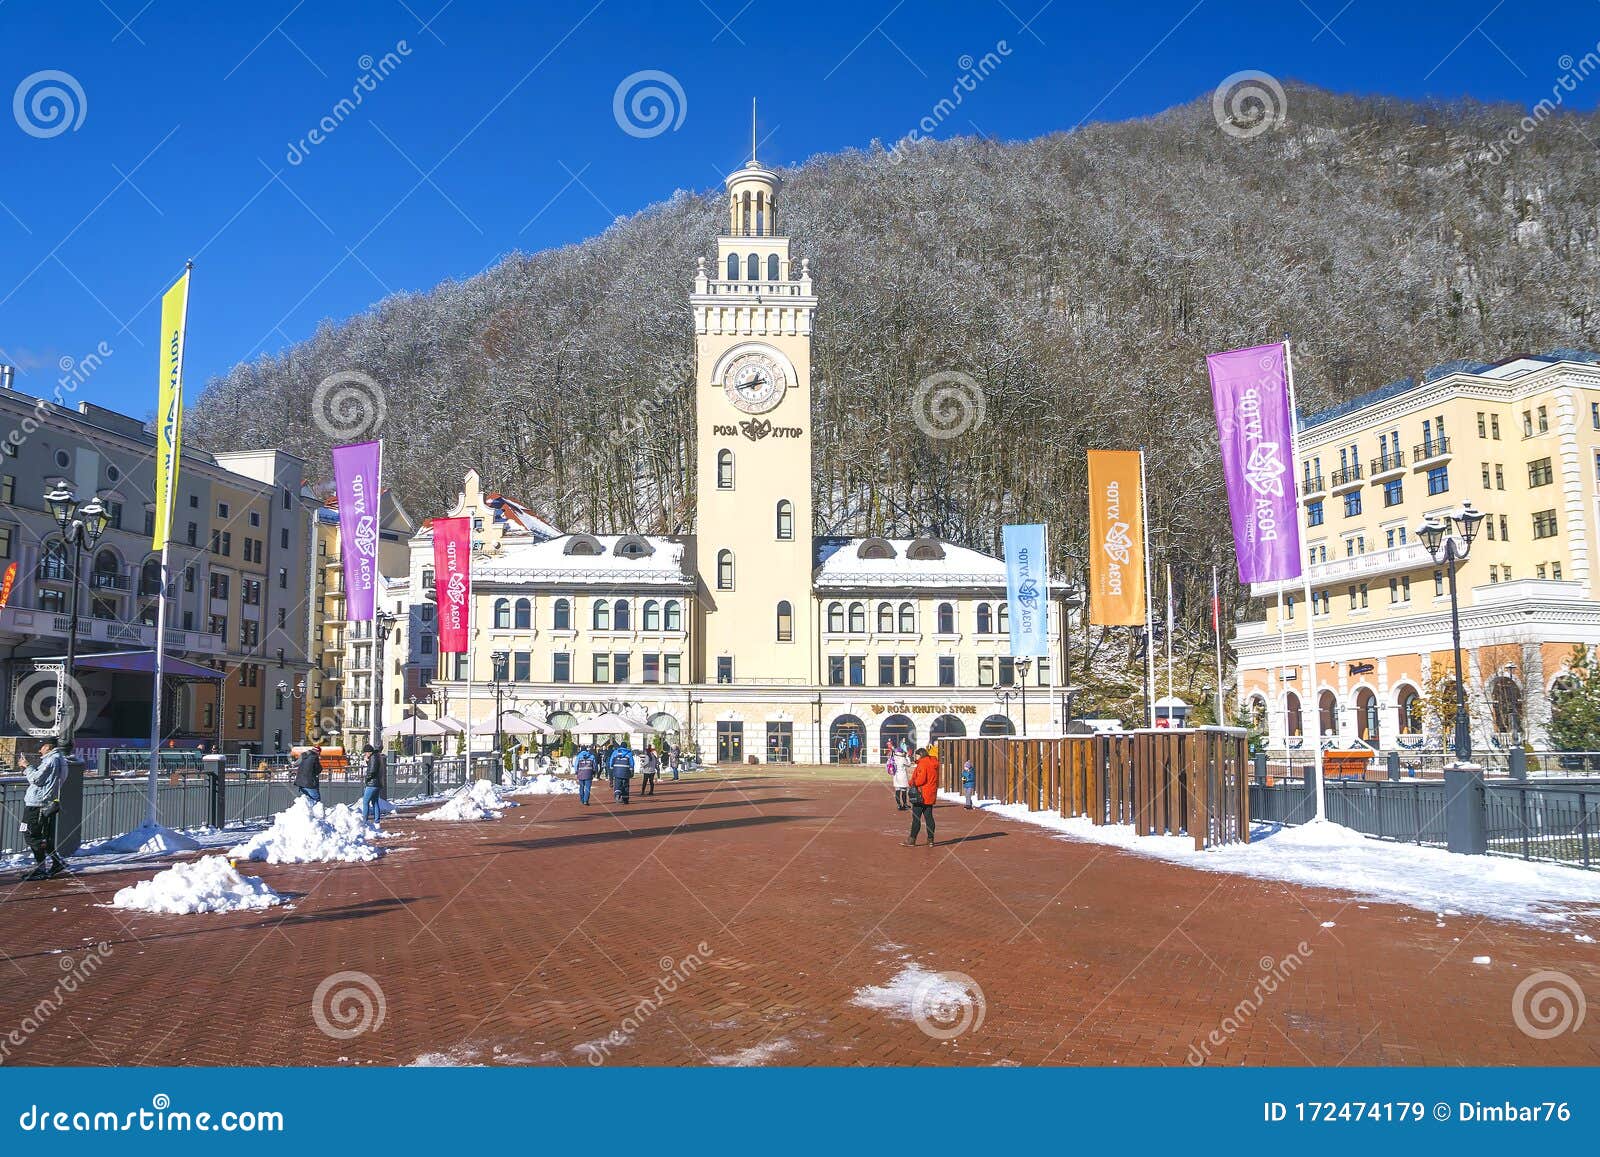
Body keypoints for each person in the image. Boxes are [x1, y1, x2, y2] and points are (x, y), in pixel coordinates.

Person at [21, 740, 69, 880]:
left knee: (31, 835)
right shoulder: (59, 759)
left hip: (37, 804)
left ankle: (41, 869)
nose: (39, 750)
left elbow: (37, 780)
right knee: (43, 836)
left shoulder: (51, 760)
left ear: (48, 747)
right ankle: (56, 862)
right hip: (45, 802)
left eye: (41, 747)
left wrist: (27, 766)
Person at [904, 746, 939, 847]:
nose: (916, 757)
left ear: (921, 755)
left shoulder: (923, 763)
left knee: (916, 818)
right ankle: (930, 839)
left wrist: (912, 782)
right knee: (929, 817)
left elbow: (921, 780)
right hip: (930, 793)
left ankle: (912, 839)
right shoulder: (934, 763)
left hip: (921, 794)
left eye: (917, 755)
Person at [360, 743, 386, 827]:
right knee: (375, 802)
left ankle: (364, 821)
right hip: (378, 783)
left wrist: (367, 778)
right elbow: (374, 767)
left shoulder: (373, 757)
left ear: (368, 752)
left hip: (372, 783)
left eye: (365, 753)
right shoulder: (377, 756)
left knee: (365, 801)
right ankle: (377, 821)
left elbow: (372, 770)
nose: (365, 754)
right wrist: (368, 761)